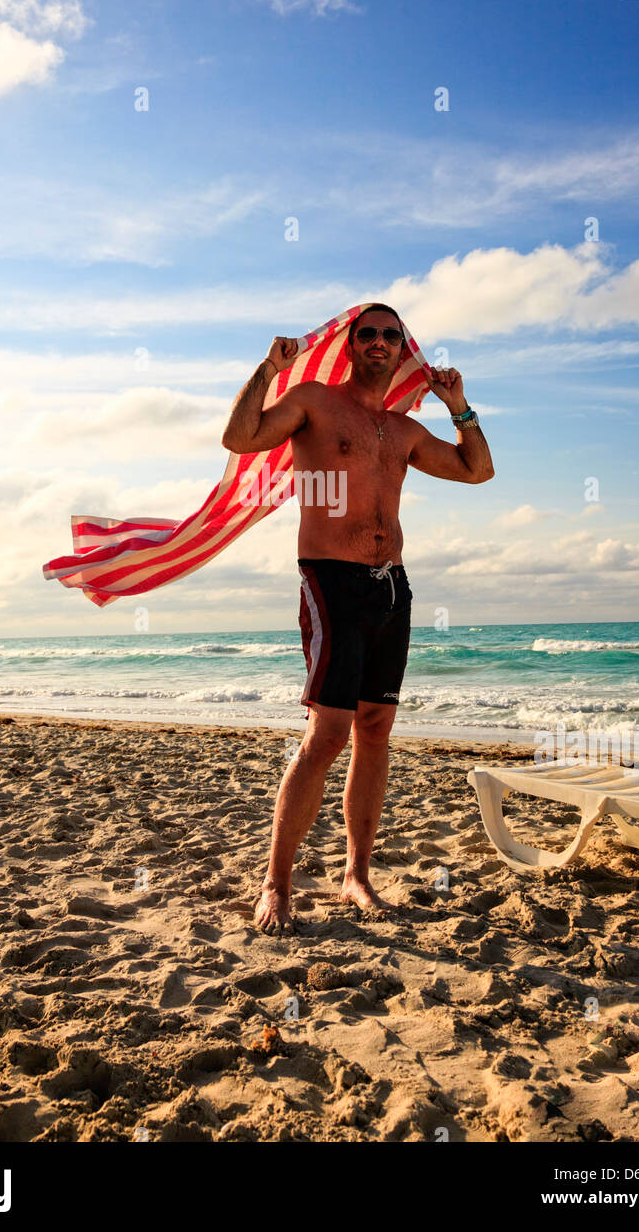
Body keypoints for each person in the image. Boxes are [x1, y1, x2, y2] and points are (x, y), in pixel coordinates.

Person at [221, 304, 495, 934]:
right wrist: (269, 370)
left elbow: (478, 470)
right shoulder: (314, 402)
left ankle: (356, 876)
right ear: (349, 345)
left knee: (375, 730)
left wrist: (459, 406)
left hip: (390, 588)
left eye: (390, 334)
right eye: (366, 333)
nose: (378, 341)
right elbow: (239, 438)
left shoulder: (402, 430)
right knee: (328, 734)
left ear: (403, 350)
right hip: (331, 581)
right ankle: (276, 885)